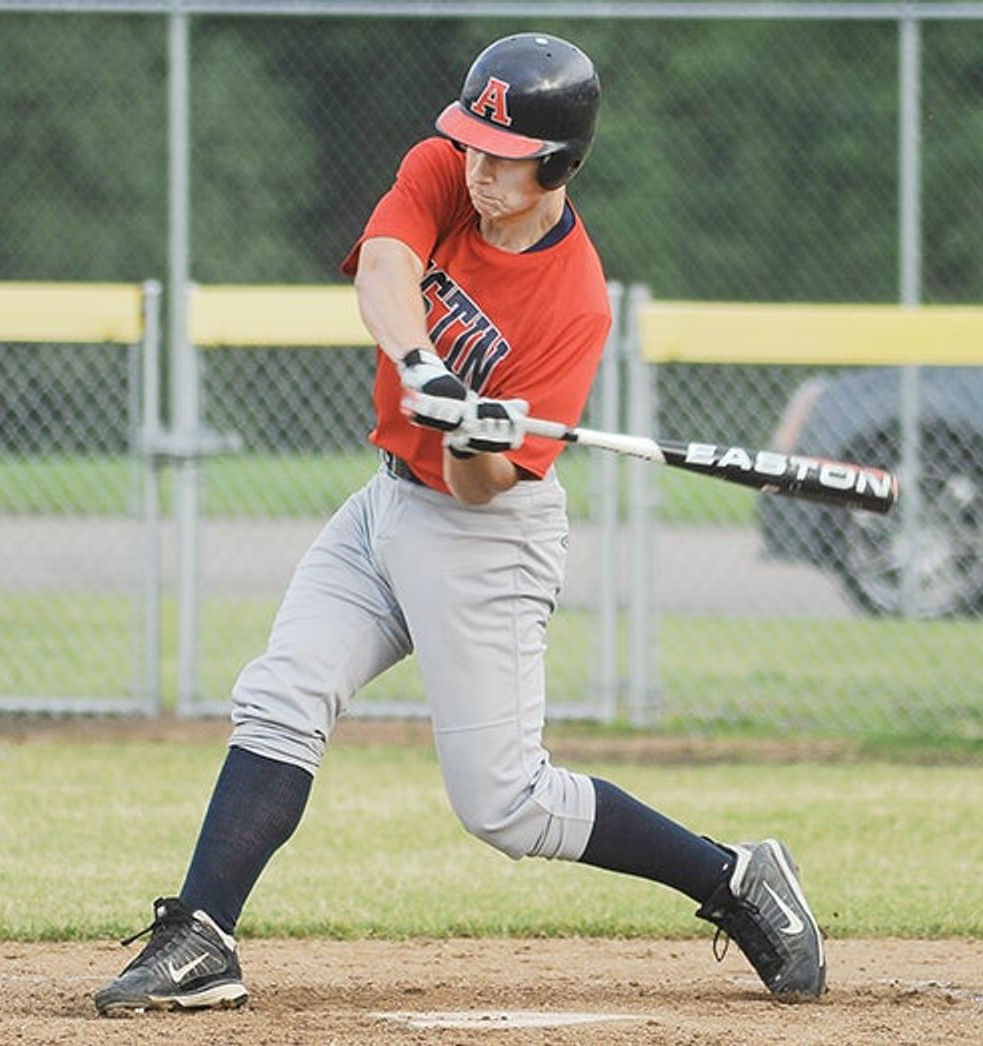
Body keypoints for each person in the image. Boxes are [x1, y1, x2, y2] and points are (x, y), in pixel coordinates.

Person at [93, 31, 826, 1015]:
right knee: (282, 693)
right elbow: (383, 270)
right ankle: (203, 934)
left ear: (558, 165)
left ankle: (733, 878)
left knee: (506, 804)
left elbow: (482, 488)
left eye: (504, 157)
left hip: (486, 537)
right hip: (385, 505)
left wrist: (473, 436)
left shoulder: (572, 305)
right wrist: (426, 370)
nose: (478, 167)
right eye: (473, 144)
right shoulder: (445, 169)